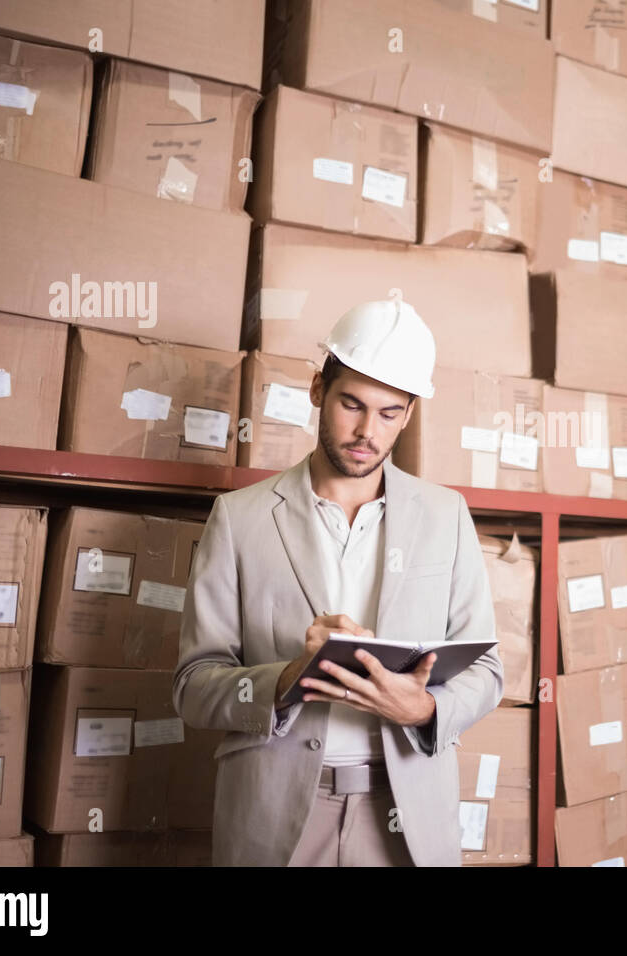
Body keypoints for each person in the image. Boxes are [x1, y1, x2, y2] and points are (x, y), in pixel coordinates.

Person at [173, 298, 503, 866]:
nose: (367, 432)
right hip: (276, 817)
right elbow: (193, 687)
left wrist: (424, 709)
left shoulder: (445, 516)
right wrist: (287, 679)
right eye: (352, 404)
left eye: (390, 413)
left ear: (409, 414)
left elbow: (487, 671)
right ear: (317, 390)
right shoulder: (240, 518)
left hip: (404, 812)